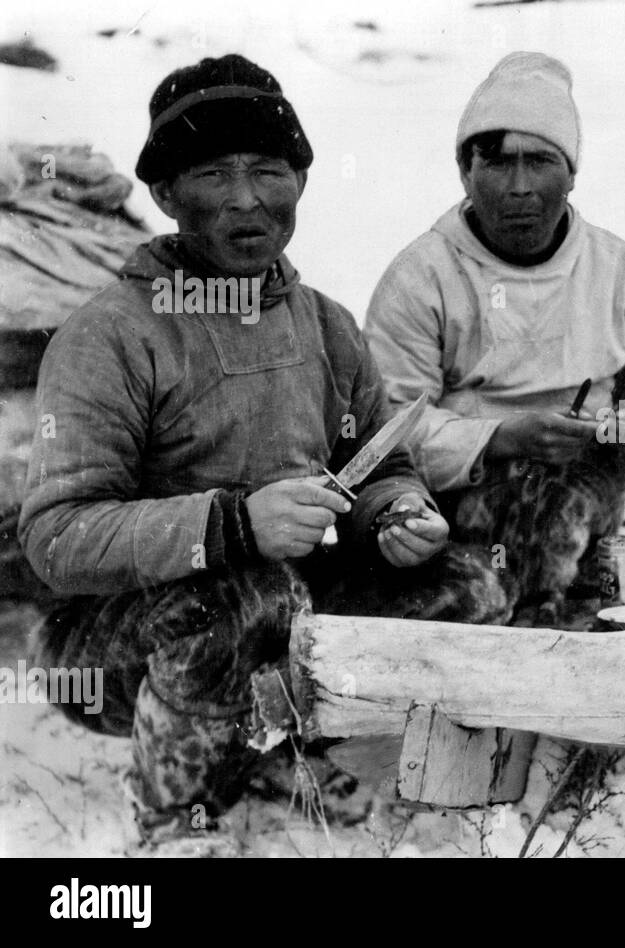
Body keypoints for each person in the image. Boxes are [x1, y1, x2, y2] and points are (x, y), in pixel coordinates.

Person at [19, 54, 506, 853]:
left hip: (285, 604)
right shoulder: (111, 336)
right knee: (249, 597)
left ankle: (291, 752)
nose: (248, 198)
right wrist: (232, 527)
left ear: (301, 182)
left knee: (466, 587)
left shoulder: (324, 324)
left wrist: (397, 513)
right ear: (166, 194)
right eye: (213, 173)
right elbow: (57, 539)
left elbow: (379, 462)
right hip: (114, 638)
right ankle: (179, 813)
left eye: (269, 169)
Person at [365, 51, 625, 624]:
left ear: (572, 173)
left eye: (540, 162)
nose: (519, 188)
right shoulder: (422, 277)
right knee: (471, 603)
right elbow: (388, 425)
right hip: (458, 511)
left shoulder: (615, 270)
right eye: (496, 163)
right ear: (465, 172)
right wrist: (501, 437)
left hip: (586, 502)